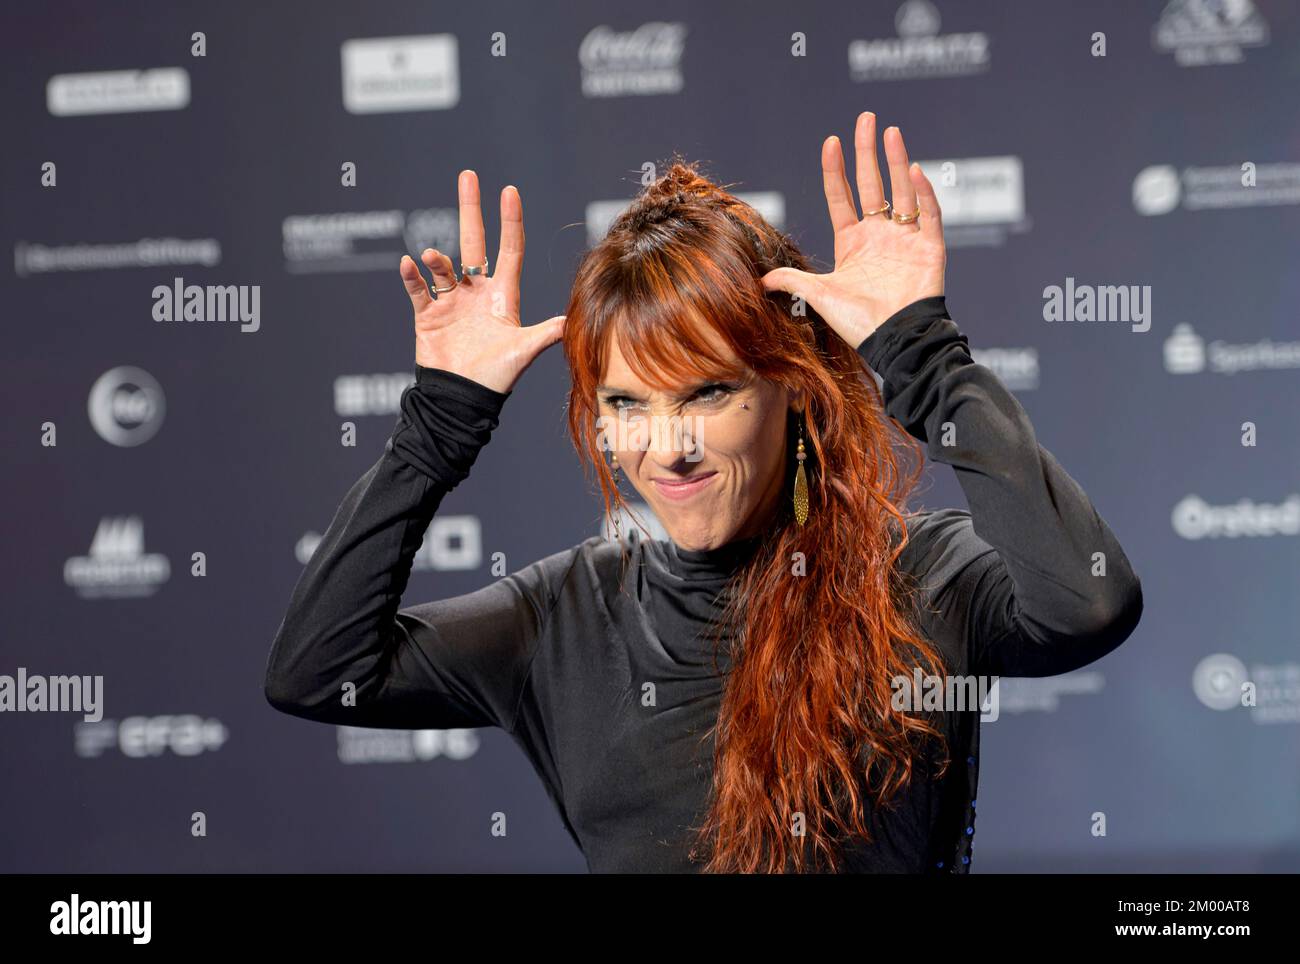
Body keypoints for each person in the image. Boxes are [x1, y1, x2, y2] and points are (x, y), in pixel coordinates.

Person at [264, 112, 1143, 874]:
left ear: (794, 385)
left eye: (708, 393)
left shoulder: (921, 577)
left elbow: (1089, 602)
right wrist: (437, 429)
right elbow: (319, 673)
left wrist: (925, 360)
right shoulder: (565, 616)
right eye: (626, 404)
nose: (667, 449)